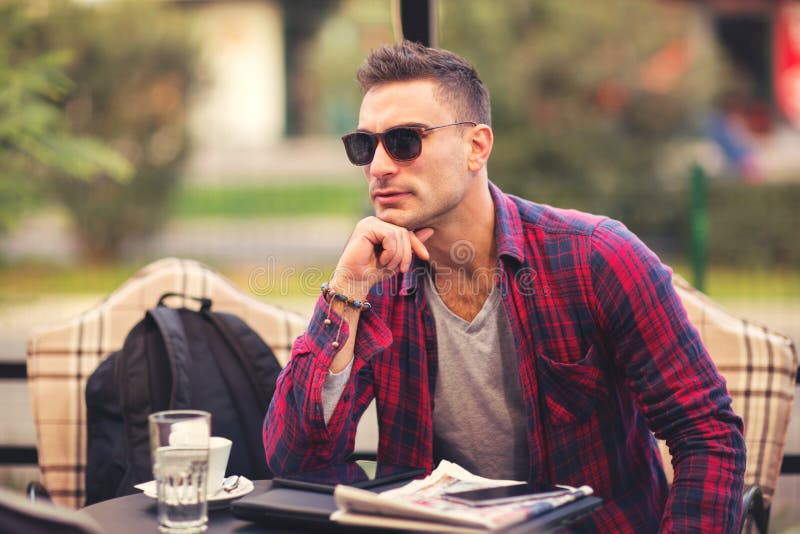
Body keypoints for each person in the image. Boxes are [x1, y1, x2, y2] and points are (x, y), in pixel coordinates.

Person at [263, 40, 745, 532]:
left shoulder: (594, 257)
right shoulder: (377, 280)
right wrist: (345, 291)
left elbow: (707, 435)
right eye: (364, 146)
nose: (380, 166)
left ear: (476, 147)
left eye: (405, 141)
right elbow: (296, 458)